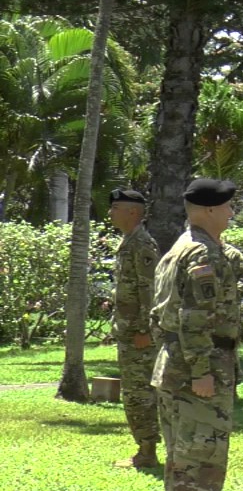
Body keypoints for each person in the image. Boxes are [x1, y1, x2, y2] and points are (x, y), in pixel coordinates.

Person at [150, 178, 243, 491]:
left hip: (174, 364)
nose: (231, 214)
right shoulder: (202, 254)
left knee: (181, 459)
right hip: (198, 367)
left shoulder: (181, 248)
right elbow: (194, 317)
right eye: (226, 208)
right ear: (208, 210)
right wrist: (203, 371)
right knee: (200, 461)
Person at [108, 188, 160, 469]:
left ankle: (147, 451)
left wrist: (144, 329)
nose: (110, 213)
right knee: (133, 391)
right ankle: (144, 447)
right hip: (128, 331)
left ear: (133, 212)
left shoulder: (142, 245)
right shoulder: (128, 242)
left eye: (116, 208)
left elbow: (149, 290)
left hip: (138, 334)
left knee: (139, 392)